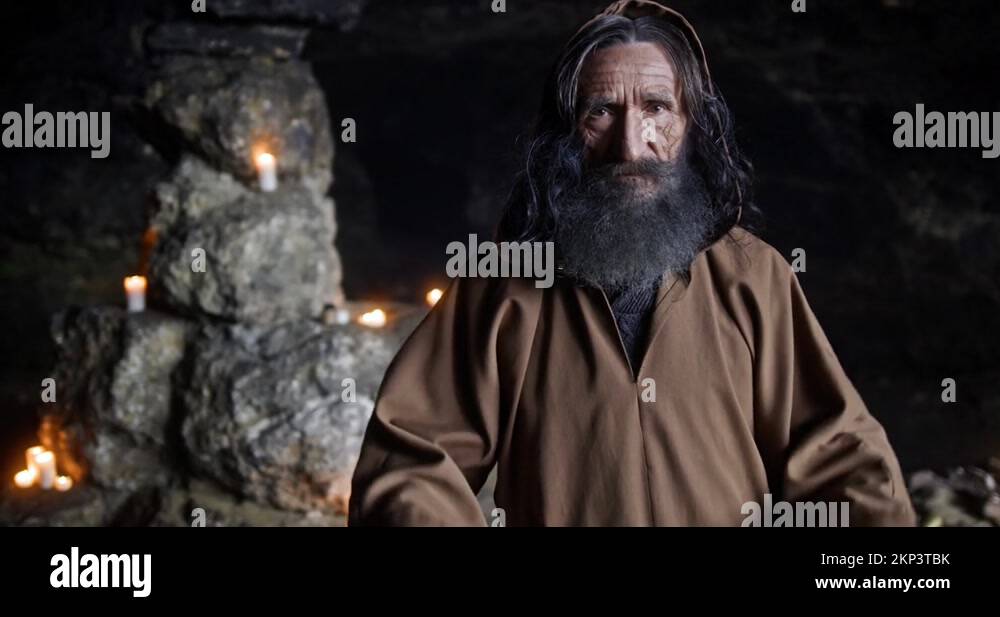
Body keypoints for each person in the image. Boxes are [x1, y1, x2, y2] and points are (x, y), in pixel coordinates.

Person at [348, 0, 916, 526]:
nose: (630, 144)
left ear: (691, 124)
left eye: (656, 108)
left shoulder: (755, 277)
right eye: (601, 111)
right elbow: (412, 464)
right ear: (567, 133)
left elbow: (843, 460)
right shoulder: (503, 286)